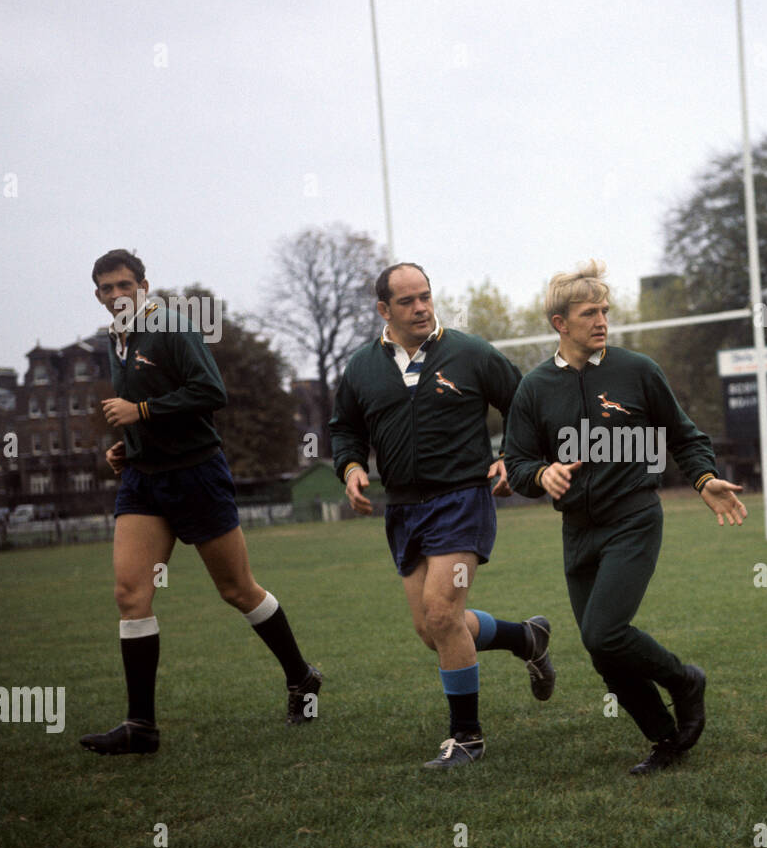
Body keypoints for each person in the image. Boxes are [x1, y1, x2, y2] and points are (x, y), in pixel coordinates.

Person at [504, 261, 747, 775]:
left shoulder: (637, 370)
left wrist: (705, 480)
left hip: (633, 518)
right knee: (600, 651)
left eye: (604, 312)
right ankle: (664, 740)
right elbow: (518, 462)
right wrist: (541, 474)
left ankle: (685, 681)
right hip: (577, 533)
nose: (601, 321)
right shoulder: (534, 388)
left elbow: (684, 435)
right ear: (559, 323)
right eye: (588, 313)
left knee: (605, 632)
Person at [80, 250, 320, 756]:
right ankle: (140, 726)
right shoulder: (114, 339)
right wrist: (128, 443)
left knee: (237, 589)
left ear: (145, 286)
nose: (117, 296)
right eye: (107, 289)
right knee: (131, 594)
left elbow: (211, 391)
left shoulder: (171, 326)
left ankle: (301, 676)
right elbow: (140, 414)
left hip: (196, 474)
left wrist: (139, 410)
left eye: (126, 285)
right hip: (144, 481)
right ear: (97, 295)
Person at [329, 262, 555, 769]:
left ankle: (467, 738)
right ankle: (526, 637)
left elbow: (524, 405)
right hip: (404, 508)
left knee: (442, 612)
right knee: (431, 629)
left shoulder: (471, 353)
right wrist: (349, 468)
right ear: (384, 310)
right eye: (408, 301)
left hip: (462, 499)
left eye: (426, 296)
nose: (422, 308)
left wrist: (509, 456)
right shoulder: (362, 368)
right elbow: (344, 428)